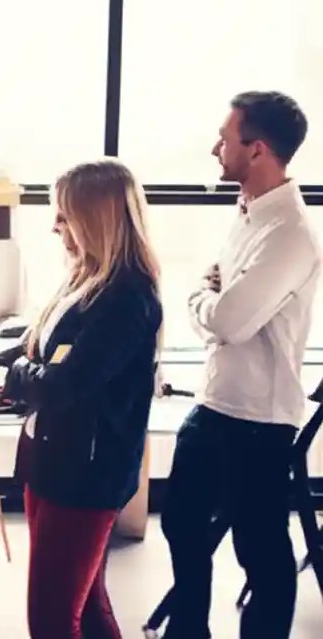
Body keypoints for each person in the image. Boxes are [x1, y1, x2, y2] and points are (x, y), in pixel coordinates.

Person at [162, 91, 317, 639]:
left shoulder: (290, 235)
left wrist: (199, 301)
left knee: (262, 550)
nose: (214, 148)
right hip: (215, 402)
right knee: (180, 522)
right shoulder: (247, 212)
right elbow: (225, 306)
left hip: (258, 419)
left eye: (225, 139)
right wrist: (217, 301)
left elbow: (228, 321)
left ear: (257, 150)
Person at [0, 160, 162, 639]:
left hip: (85, 475)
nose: (54, 227)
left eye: (64, 216)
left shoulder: (127, 295)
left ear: (97, 218)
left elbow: (66, 383)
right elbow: (42, 344)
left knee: (51, 617)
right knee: (85, 604)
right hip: (54, 460)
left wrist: (17, 376)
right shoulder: (86, 276)